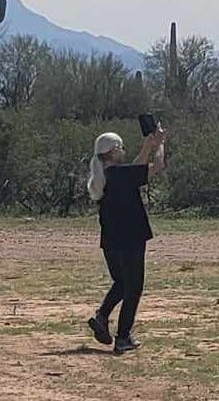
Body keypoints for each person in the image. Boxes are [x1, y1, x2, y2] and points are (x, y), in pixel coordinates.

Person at [85, 124, 167, 354]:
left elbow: (145, 166)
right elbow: (154, 167)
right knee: (133, 288)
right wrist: (155, 145)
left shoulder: (102, 179)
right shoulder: (120, 175)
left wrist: (154, 145)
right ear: (112, 152)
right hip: (130, 239)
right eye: (120, 148)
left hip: (110, 242)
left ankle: (102, 316)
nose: (124, 151)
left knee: (121, 283)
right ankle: (123, 337)